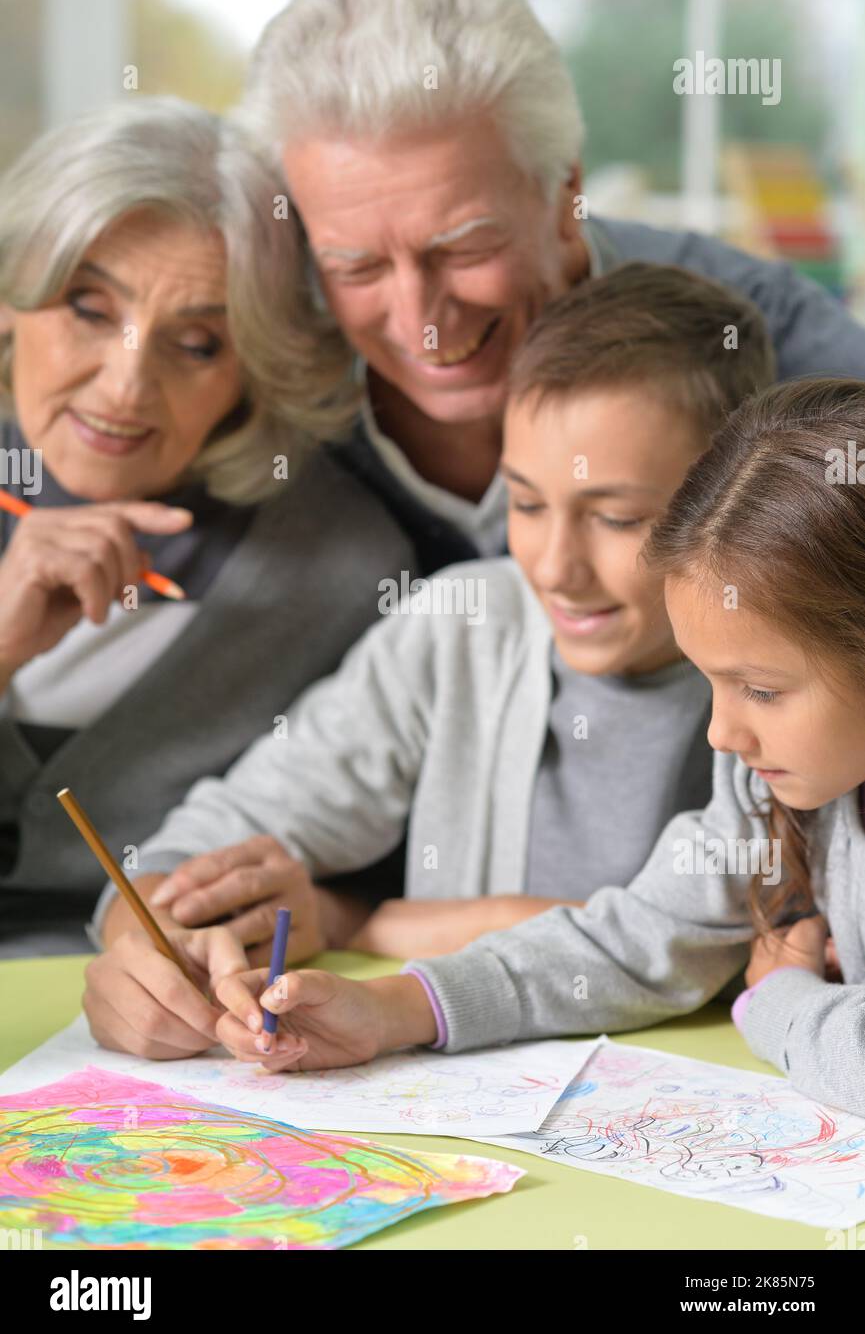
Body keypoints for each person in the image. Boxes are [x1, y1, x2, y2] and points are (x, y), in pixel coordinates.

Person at [82, 262, 774, 1057]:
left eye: (615, 518)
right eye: (523, 502)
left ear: (735, 501)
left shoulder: (782, 679)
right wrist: (145, 934)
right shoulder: (462, 626)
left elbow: (694, 940)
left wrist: (370, 922)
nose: (552, 566)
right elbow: (225, 831)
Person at [211, 376, 865, 1123]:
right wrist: (392, 1010)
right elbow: (636, 940)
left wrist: (779, 1002)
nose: (721, 733)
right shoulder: (769, 783)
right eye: (710, 681)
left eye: (761, 689)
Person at [236, 0, 865, 576]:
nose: (417, 316)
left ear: (566, 195)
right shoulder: (254, 374)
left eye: (463, 249)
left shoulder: (777, 352)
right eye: (358, 267)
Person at [0, 96, 412, 957]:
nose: (124, 387)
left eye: (194, 345)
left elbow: (342, 879)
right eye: (87, 307)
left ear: (253, 372)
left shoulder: (342, 562)